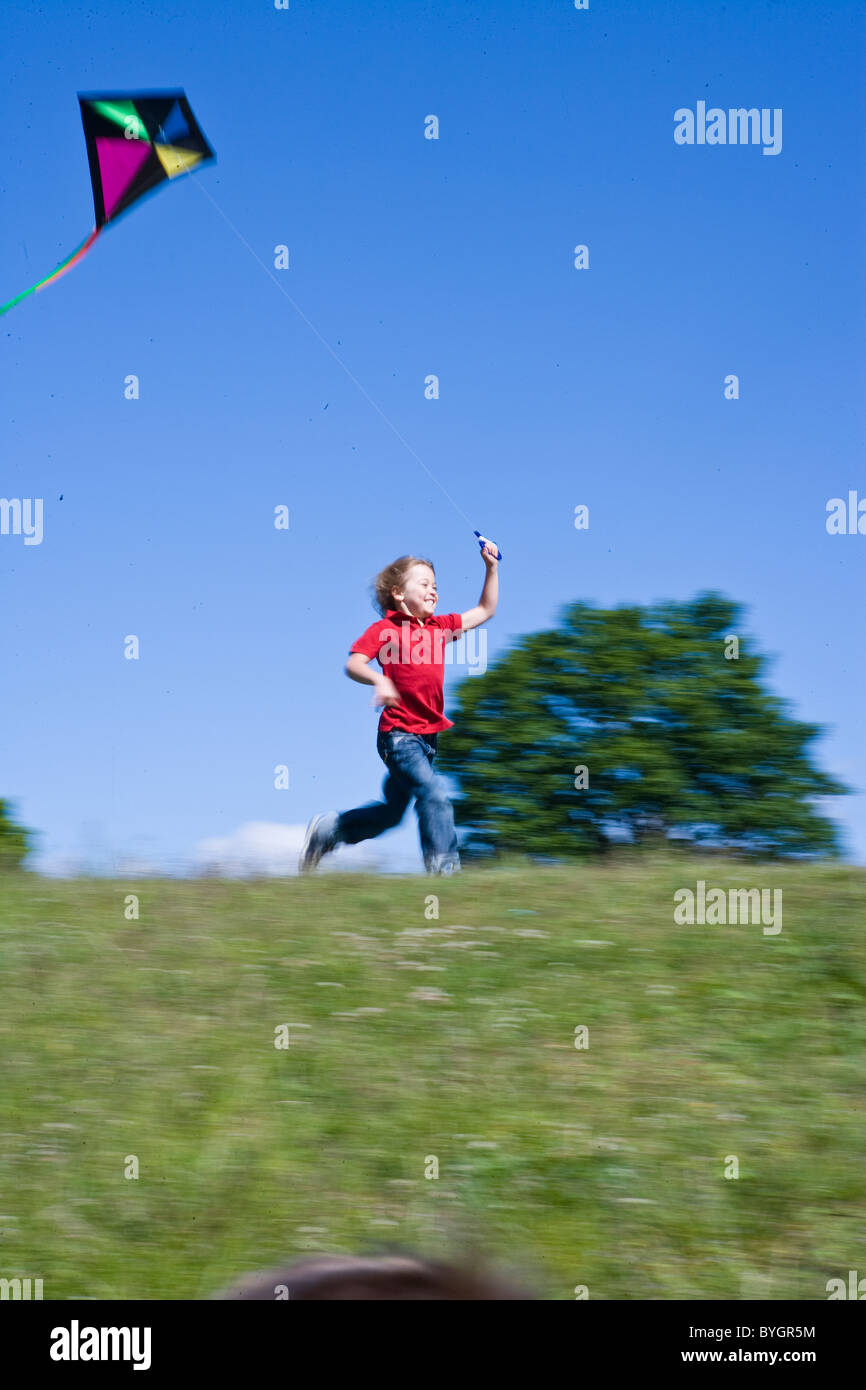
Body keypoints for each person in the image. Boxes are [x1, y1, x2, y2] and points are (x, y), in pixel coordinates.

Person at [300, 541, 499, 875]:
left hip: (428, 741)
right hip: (399, 737)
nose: (433, 591)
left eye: (435, 586)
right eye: (424, 584)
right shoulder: (386, 630)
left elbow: (485, 610)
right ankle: (444, 871)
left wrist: (491, 567)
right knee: (435, 795)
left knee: (392, 814)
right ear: (398, 594)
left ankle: (330, 831)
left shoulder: (440, 628)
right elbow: (354, 664)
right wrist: (379, 681)